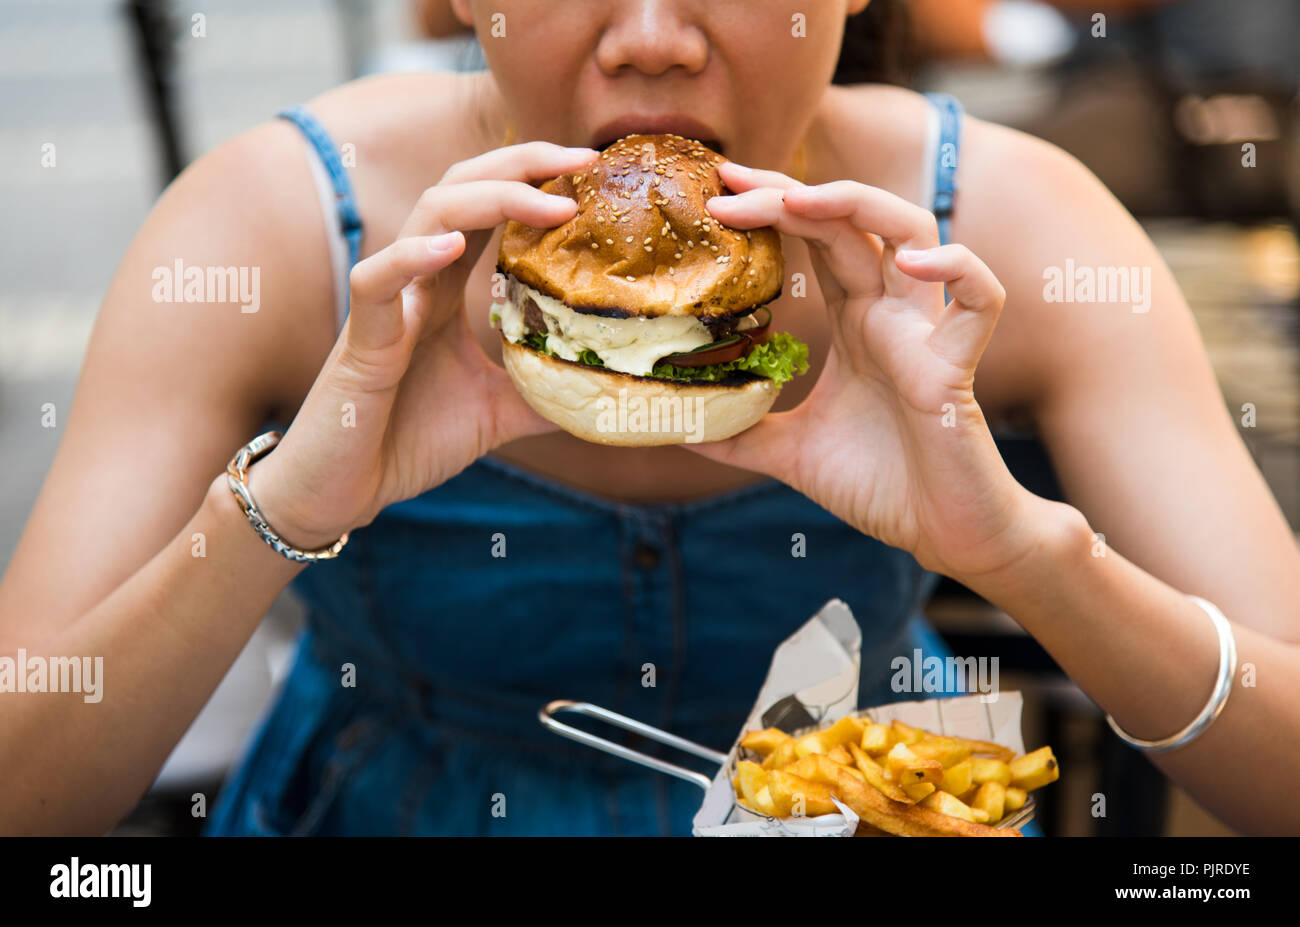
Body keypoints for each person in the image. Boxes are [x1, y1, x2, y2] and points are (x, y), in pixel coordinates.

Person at [1, 0, 1296, 837]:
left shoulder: (1014, 223)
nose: (654, 39)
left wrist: (1025, 555)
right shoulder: (279, 226)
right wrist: (281, 512)